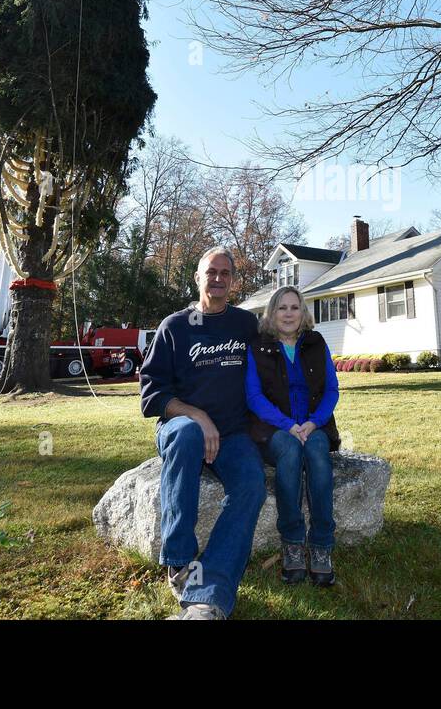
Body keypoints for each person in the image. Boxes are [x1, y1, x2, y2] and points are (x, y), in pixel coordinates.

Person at [139, 246, 265, 620]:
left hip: (233, 434)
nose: (219, 278)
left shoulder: (244, 324)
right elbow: (152, 394)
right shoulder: (175, 327)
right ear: (197, 277)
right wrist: (197, 416)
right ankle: (178, 561)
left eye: (226, 273)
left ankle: (207, 597)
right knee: (189, 434)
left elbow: (274, 364)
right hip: (181, 429)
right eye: (212, 272)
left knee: (251, 484)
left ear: (233, 281)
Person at [245, 286, 340, 587]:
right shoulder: (257, 346)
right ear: (271, 313)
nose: (288, 313)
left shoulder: (316, 342)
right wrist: (288, 425)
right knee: (289, 452)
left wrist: (312, 424)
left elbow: (332, 390)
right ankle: (293, 543)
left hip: (315, 425)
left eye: (294, 308)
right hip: (274, 429)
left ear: (303, 313)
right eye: (282, 308)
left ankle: (322, 544)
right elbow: (253, 396)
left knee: (316, 455)